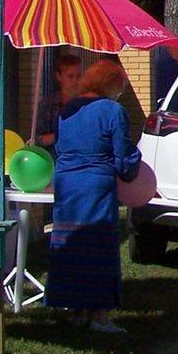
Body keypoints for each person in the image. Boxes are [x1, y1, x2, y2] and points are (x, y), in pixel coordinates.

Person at [45, 58, 142, 332]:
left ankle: (75, 310)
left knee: (70, 246)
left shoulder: (67, 109)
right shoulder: (113, 111)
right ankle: (99, 316)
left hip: (66, 184)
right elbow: (123, 155)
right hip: (95, 185)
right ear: (111, 85)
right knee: (99, 248)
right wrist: (135, 168)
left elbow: (61, 147)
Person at [32, 52, 82, 149]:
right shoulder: (47, 105)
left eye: (78, 76)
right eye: (70, 76)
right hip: (55, 159)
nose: (75, 81)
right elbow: (37, 139)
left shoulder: (87, 104)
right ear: (59, 76)